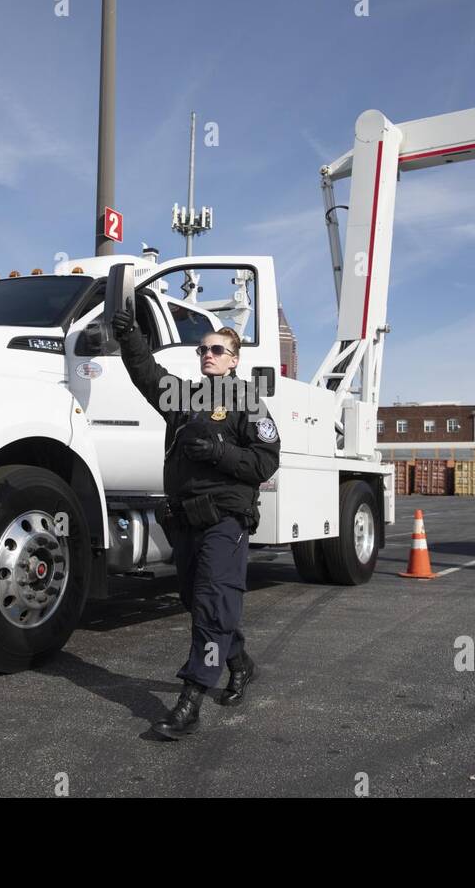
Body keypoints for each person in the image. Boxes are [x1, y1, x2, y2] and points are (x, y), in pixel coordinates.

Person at [111, 303, 281, 740]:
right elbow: (146, 375)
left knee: (210, 601)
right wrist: (130, 335)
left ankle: (190, 701)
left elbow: (265, 461)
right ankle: (239, 663)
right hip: (186, 520)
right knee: (196, 598)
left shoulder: (248, 402)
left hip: (226, 519)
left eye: (218, 350)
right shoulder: (183, 399)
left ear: (235, 358)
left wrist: (218, 453)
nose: (208, 355)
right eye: (203, 349)